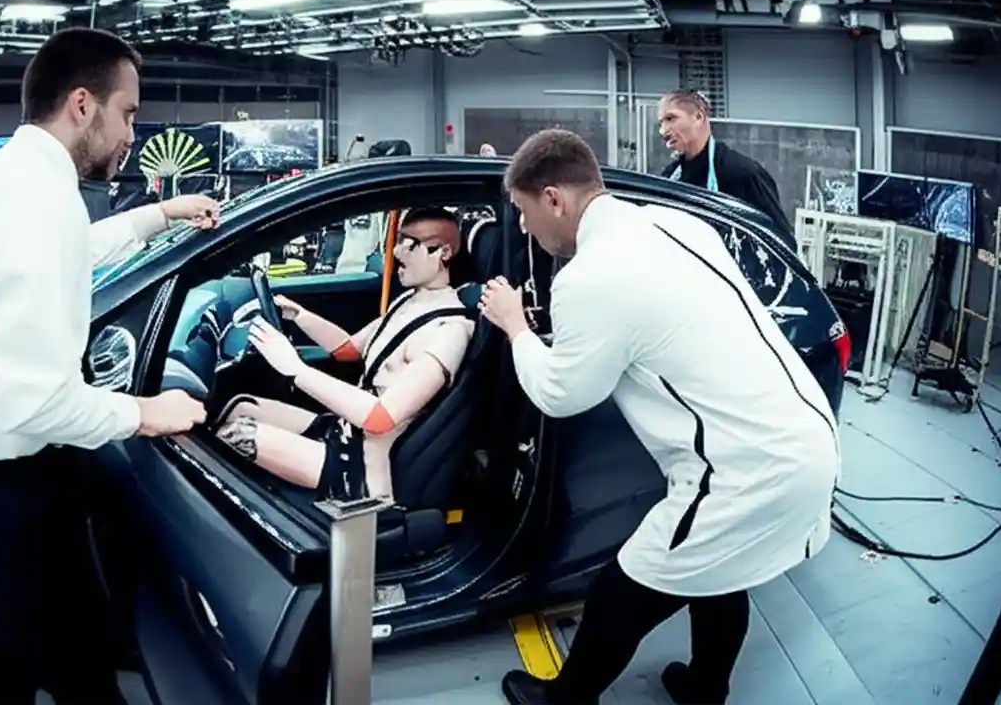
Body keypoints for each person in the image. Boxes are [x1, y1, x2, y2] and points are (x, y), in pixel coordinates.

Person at [0, 27, 221, 704]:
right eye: (128, 113)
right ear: (81, 104)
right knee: (81, 674)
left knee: (4, 651)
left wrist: (164, 214)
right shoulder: (29, 202)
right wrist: (145, 413)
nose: (133, 133)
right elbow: (36, 403)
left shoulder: (12, 183)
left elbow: (70, 252)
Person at [479, 128, 839, 705]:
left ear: (554, 199)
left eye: (523, 213)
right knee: (722, 570)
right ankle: (705, 687)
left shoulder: (590, 276)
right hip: (808, 438)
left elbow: (561, 394)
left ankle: (566, 699)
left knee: (630, 582)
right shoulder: (678, 224)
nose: (523, 229)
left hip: (744, 472)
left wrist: (516, 327)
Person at [214, 207, 474, 500]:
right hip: (344, 430)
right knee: (239, 406)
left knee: (234, 436)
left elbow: (382, 417)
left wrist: (296, 369)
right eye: (399, 240)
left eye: (410, 243)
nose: (398, 253)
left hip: (360, 466)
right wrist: (300, 316)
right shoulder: (410, 301)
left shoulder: (448, 330)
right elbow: (349, 350)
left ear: (443, 252)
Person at [657, 90, 797, 249]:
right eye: (660, 123)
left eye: (670, 118)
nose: (663, 131)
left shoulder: (743, 173)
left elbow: (782, 243)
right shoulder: (670, 177)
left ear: (699, 116)